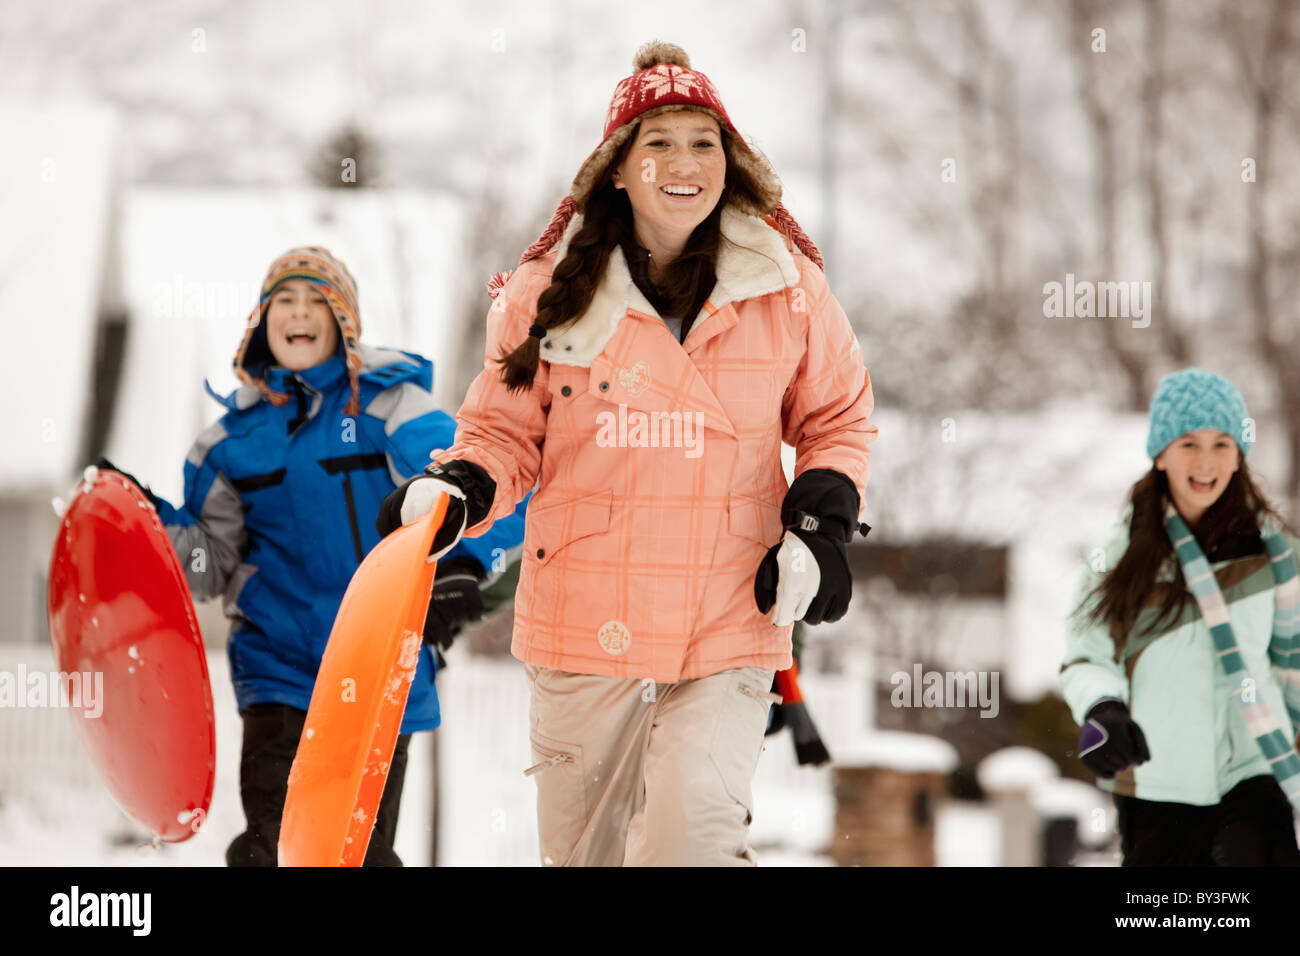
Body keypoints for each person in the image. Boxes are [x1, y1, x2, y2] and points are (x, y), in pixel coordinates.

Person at [377, 41, 876, 866]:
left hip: (729, 618)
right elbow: (504, 434)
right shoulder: (548, 293)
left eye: (704, 143)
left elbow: (839, 418)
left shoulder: (787, 287)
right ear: (616, 168)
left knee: (693, 845)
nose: (685, 163)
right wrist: (459, 488)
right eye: (659, 143)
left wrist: (822, 527)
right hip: (585, 623)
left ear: (731, 162)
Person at [96, 246, 527, 866]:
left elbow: (478, 485)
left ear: (343, 319)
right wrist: (144, 521)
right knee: (270, 851)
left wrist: (460, 566)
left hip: (378, 671)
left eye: (316, 300)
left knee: (355, 855)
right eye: (284, 301)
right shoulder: (229, 443)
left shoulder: (389, 408)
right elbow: (208, 564)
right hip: (277, 670)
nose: (299, 313)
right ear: (261, 320)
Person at [1062, 368, 1300, 866]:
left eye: (1221, 443)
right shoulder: (1123, 555)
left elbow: (1292, 659)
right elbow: (1087, 654)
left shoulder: (1275, 554)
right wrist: (1104, 709)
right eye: (1189, 443)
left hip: (1255, 763)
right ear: (1161, 453)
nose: (1206, 461)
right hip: (1158, 774)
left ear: (1239, 456)